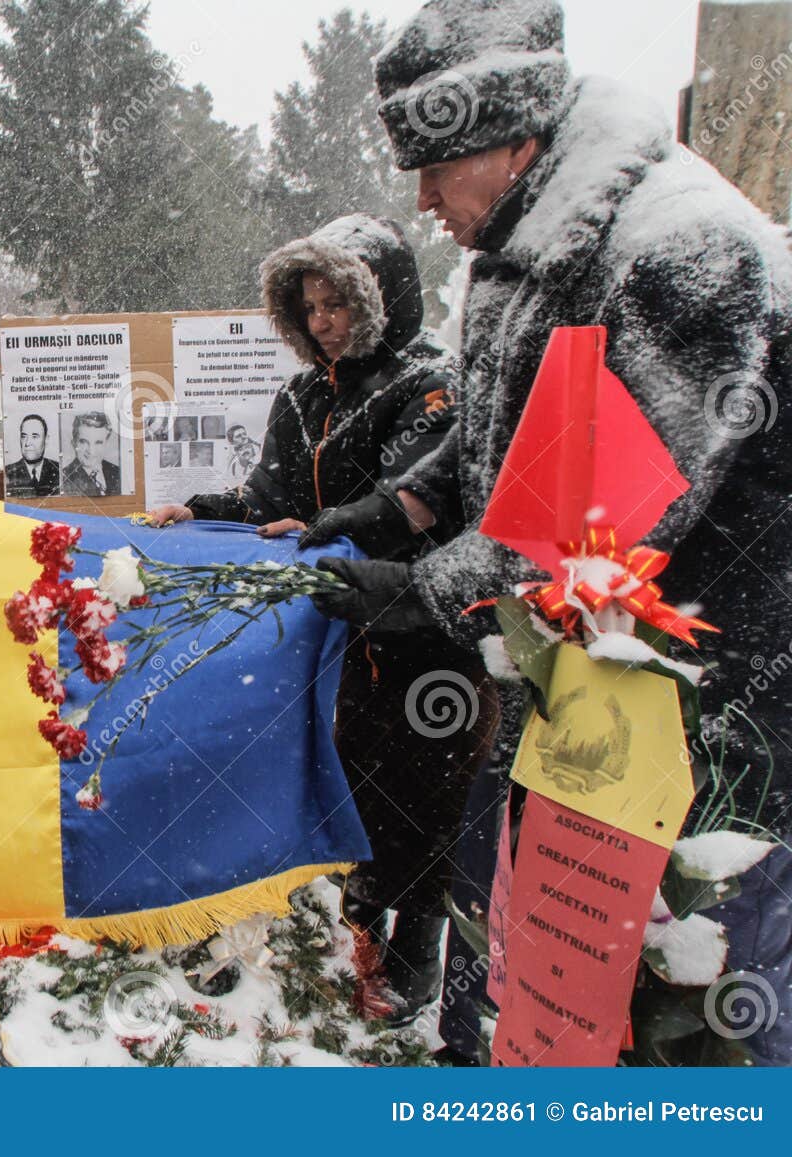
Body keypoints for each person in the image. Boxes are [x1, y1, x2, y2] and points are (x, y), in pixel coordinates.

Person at [314, 0, 792, 1064]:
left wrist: (421, 588)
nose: (424, 200)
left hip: (705, 728)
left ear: (514, 135)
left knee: (685, 1005)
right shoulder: (522, 251)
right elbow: (505, 437)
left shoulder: (682, 252)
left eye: (437, 167)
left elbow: (609, 518)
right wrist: (396, 509)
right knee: (524, 975)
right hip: (572, 696)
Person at [148, 214, 498, 1020]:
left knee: (426, 804)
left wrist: (328, 524)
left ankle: (415, 961)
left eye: (336, 302)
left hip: (425, 641)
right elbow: (271, 501)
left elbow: (416, 503)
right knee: (352, 793)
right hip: (341, 646)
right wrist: (198, 511)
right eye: (307, 307)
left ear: (382, 299)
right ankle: (352, 939)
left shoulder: (430, 388)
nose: (321, 322)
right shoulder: (304, 397)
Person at [60, 411, 120, 497]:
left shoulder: (117, 472)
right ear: (74, 443)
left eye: (98, 442)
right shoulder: (63, 477)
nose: (91, 451)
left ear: (106, 444)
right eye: (83, 442)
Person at [5, 413, 59, 498]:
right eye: (24, 436)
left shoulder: (59, 470)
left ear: (46, 440)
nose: (27, 443)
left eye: (34, 436)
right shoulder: (8, 472)